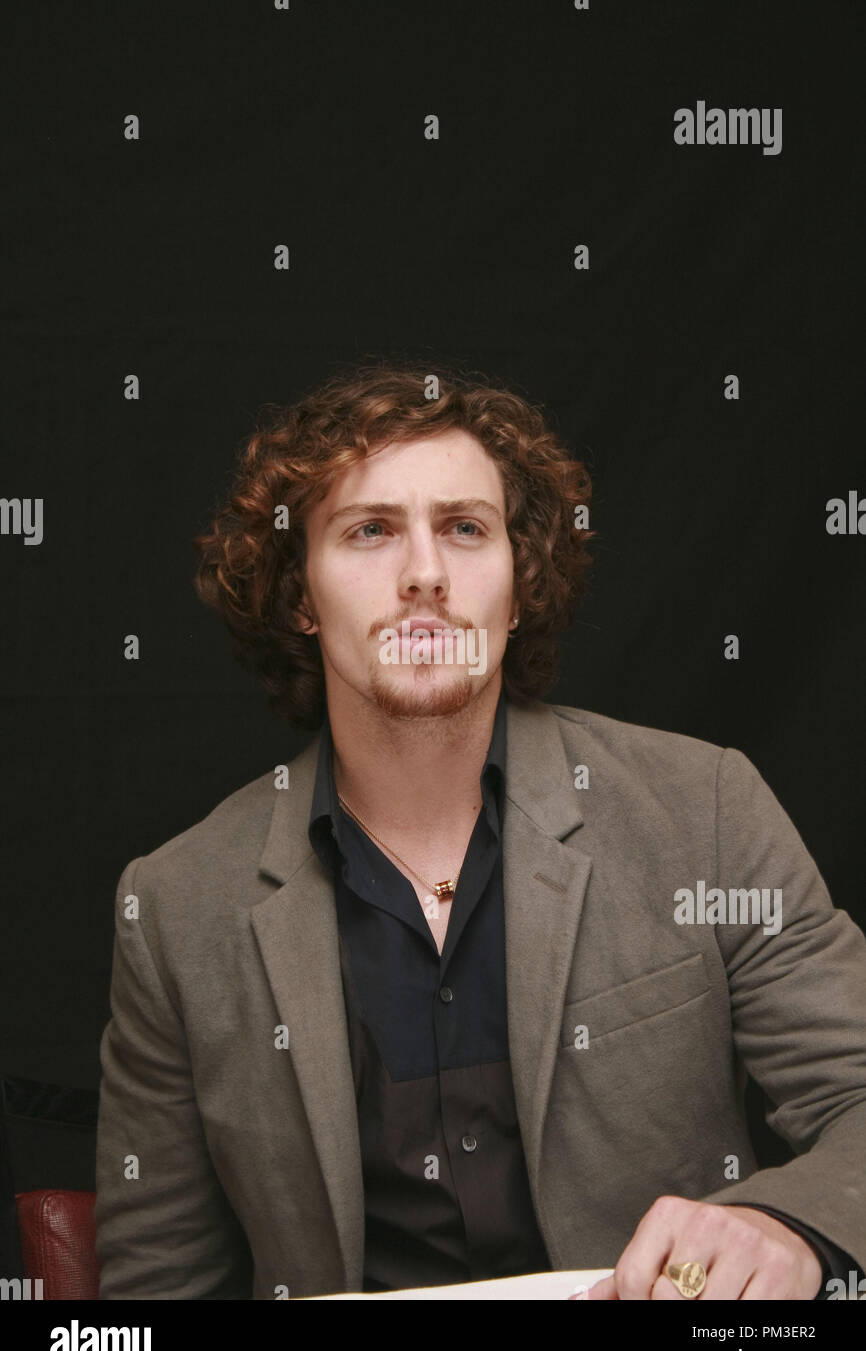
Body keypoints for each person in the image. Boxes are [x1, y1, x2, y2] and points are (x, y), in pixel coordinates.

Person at [94, 361, 866, 1300]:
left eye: (465, 529)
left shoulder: (702, 808)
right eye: (370, 531)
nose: (425, 574)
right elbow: (155, 1287)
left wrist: (786, 1229)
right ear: (302, 595)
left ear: (518, 583)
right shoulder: (176, 908)